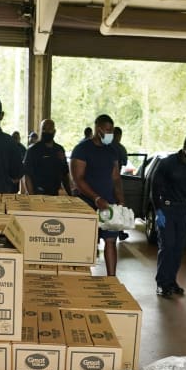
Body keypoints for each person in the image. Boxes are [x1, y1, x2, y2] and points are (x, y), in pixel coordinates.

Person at [153, 133, 186, 298]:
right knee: (167, 246)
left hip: (182, 210)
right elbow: (154, 188)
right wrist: (158, 210)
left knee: (178, 248)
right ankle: (162, 283)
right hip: (166, 209)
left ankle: (171, 281)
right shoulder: (167, 163)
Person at [70, 114, 124, 276]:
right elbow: (77, 179)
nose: (110, 134)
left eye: (112, 131)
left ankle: (112, 279)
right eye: (107, 130)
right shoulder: (82, 149)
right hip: (87, 203)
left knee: (111, 241)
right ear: (98, 129)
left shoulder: (112, 150)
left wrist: (120, 199)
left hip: (108, 204)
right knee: (86, 243)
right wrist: (96, 198)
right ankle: (82, 277)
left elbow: (116, 177)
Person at [22, 118, 71, 196]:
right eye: (44, 129)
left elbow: (65, 174)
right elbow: (27, 175)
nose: (47, 132)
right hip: (37, 193)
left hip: (54, 194)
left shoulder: (59, 150)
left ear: (54, 131)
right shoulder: (33, 150)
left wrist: (70, 193)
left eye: (49, 129)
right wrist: (31, 196)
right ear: (40, 130)